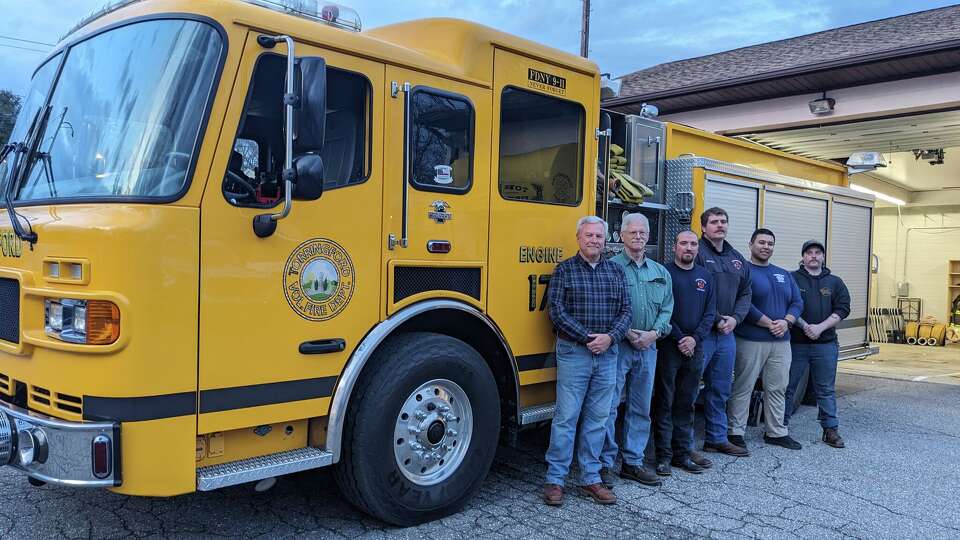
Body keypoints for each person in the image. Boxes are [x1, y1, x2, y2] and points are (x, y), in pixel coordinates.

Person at [543, 215, 632, 506]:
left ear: (605, 240)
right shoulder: (565, 270)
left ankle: (590, 478)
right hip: (574, 353)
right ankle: (555, 480)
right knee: (566, 418)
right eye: (589, 235)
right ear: (578, 238)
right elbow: (556, 311)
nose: (594, 240)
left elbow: (626, 312)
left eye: (598, 236)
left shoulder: (616, 272)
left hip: (607, 354)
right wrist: (588, 338)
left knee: (598, 419)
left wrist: (609, 338)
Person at [600, 213, 673, 488]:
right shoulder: (610, 268)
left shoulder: (660, 272)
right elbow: (606, 307)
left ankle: (632, 462)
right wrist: (628, 333)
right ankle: (605, 464)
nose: (638, 237)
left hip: (649, 348)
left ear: (648, 236)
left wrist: (654, 333)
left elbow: (667, 308)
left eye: (643, 232)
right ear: (621, 236)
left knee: (641, 408)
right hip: (619, 348)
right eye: (632, 232)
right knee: (608, 408)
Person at [727, 228, 804, 450]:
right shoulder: (743, 272)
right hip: (751, 340)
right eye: (761, 242)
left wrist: (787, 322)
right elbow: (741, 302)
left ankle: (776, 432)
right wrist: (769, 323)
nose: (766, 247)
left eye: (770, 243)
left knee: (778, 387)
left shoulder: (783, 274)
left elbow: (797, 302)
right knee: (743, 386)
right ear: (750, 245)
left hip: (781, 342)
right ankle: (735, 431)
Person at [653, 231, 716, 475]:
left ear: (697, 249)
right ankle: (663, 457)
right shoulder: (664, 273)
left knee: (686, 403)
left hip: (695, 348)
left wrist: (695, 339)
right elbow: (662, 310)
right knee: (664, 402)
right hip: (670, 345)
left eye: (692, 244)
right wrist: (680, 338)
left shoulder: (705, 276)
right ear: (674, 247)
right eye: (683, 243)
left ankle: (682, 454)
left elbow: (710, 312)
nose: (688, 248)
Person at [695, 208, 752, 457]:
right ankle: (683, 445)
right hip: (702, 334)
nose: (720, 226)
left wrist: (735, 319)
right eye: (714, 222)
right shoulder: (696, 253)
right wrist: (718, 319)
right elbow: (695, 293)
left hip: (727, 334)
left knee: (720, 388)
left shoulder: (737, 258)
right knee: (688, 389)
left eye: (723, 222)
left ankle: (716, 438)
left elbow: (746, 293)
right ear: (704, 227)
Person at [785, 240, 851, 448]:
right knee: (787, 386)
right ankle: (780, 427)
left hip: (826, 344)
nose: (813, 256)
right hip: (796, 344)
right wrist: (806, 326)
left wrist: (820, 328)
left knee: (825, 388)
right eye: (809, 253)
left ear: (822, 257)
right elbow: (786, 305)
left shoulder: (835, 282)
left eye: (817, 253)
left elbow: (843, 308)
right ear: (803, 257)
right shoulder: (791, 279)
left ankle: (830, 430)